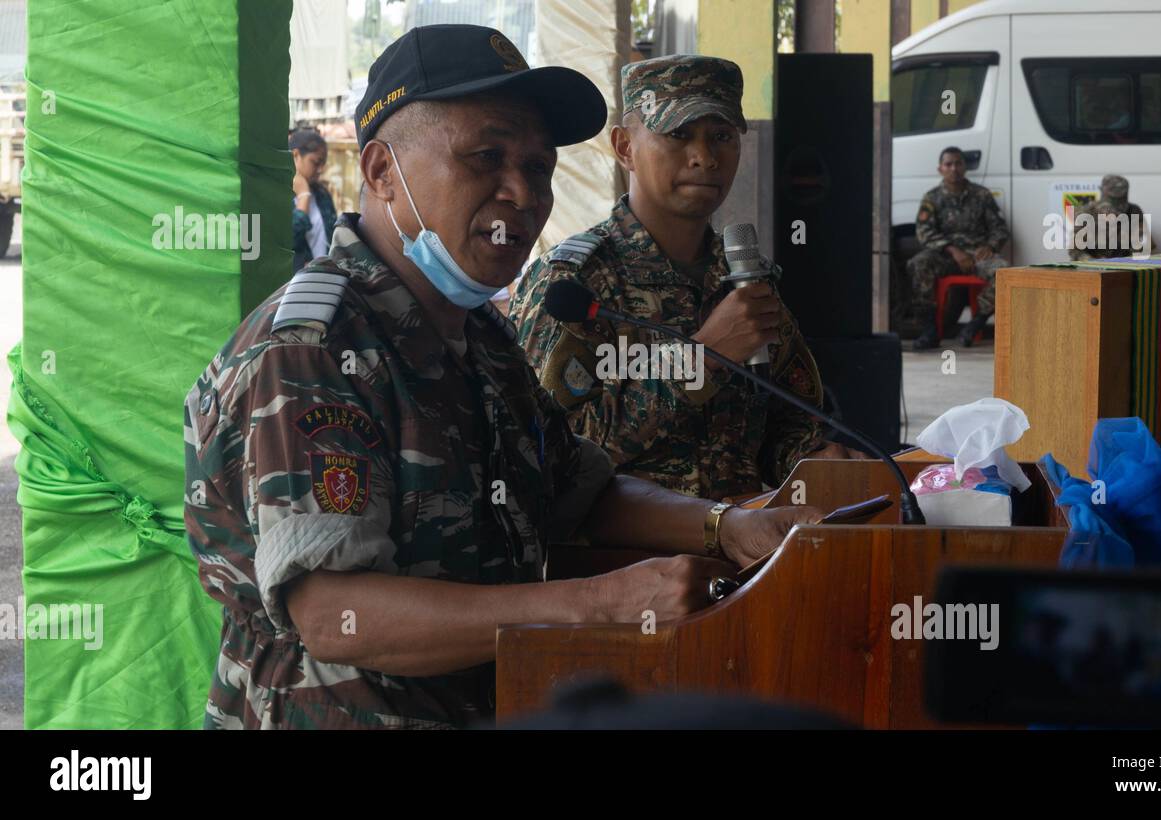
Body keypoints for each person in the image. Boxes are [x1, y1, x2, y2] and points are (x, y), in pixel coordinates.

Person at [183, 26, 819, 730]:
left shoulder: (482, 334)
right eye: (485, 158)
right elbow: (338, 615)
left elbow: (579, 487)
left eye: (539, 167)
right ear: (381, 170)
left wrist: (727, 527)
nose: (522, 193)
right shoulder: (314, 347)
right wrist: (599, 602)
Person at [509, 55, 864, 502]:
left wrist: (815, 457)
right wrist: (702, 359)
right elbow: (550, 451)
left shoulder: (744, 278)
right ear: (624, 147)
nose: (705, 158)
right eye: (678, 135)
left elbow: (785, 418)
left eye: (722, 137)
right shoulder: (573, 286)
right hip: (622, 561)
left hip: (747, 547)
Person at [907, 146, 1009, 350]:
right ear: (940, 169)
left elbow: (1000, 228)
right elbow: (924, 232)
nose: (954, 168)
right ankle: (929, 331)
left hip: (977, 254)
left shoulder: (981, 195)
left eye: (958, 163)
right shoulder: (932, 198)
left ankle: (974, 325)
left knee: (1004, 273)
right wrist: (953, 251)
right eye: (948, 164)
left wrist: (989, 246)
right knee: (917, 264)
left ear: (965, 167)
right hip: (945, 254)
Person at [1068, 174, 1150, 260]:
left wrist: (1132, 259)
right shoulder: (1086, 213)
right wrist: (1094, 263)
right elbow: (1075, 250)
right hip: (1092, 267)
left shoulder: (1133, 211)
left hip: (1125, 265)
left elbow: (1144, 244)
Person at [290, 125, 338, 271]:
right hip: (295, 286)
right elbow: (289, 241)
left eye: (323, 164)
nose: (320, 169)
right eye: (316, 162)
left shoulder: (321, 194)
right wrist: (303, 196)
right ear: (295, 155)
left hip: (326, 278)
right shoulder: (277, 195)